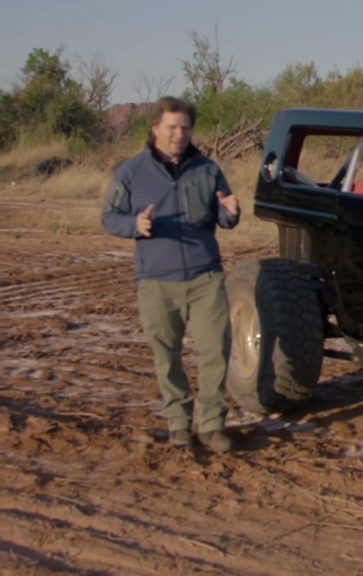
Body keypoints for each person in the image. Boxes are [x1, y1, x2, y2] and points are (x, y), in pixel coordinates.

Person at [101, 96, 240, 453]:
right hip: (156, 281)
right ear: (156, 129)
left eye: (185, 128)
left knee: (215, 352)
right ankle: (178, 424)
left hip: (204, 277)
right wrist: (135, 224)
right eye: (172, 127)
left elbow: (222, 217)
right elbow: (109, 217)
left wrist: (231, 213)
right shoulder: (131, 172)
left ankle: (212, 425)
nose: (179, 134)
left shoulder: (207, 169)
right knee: (167, 357)